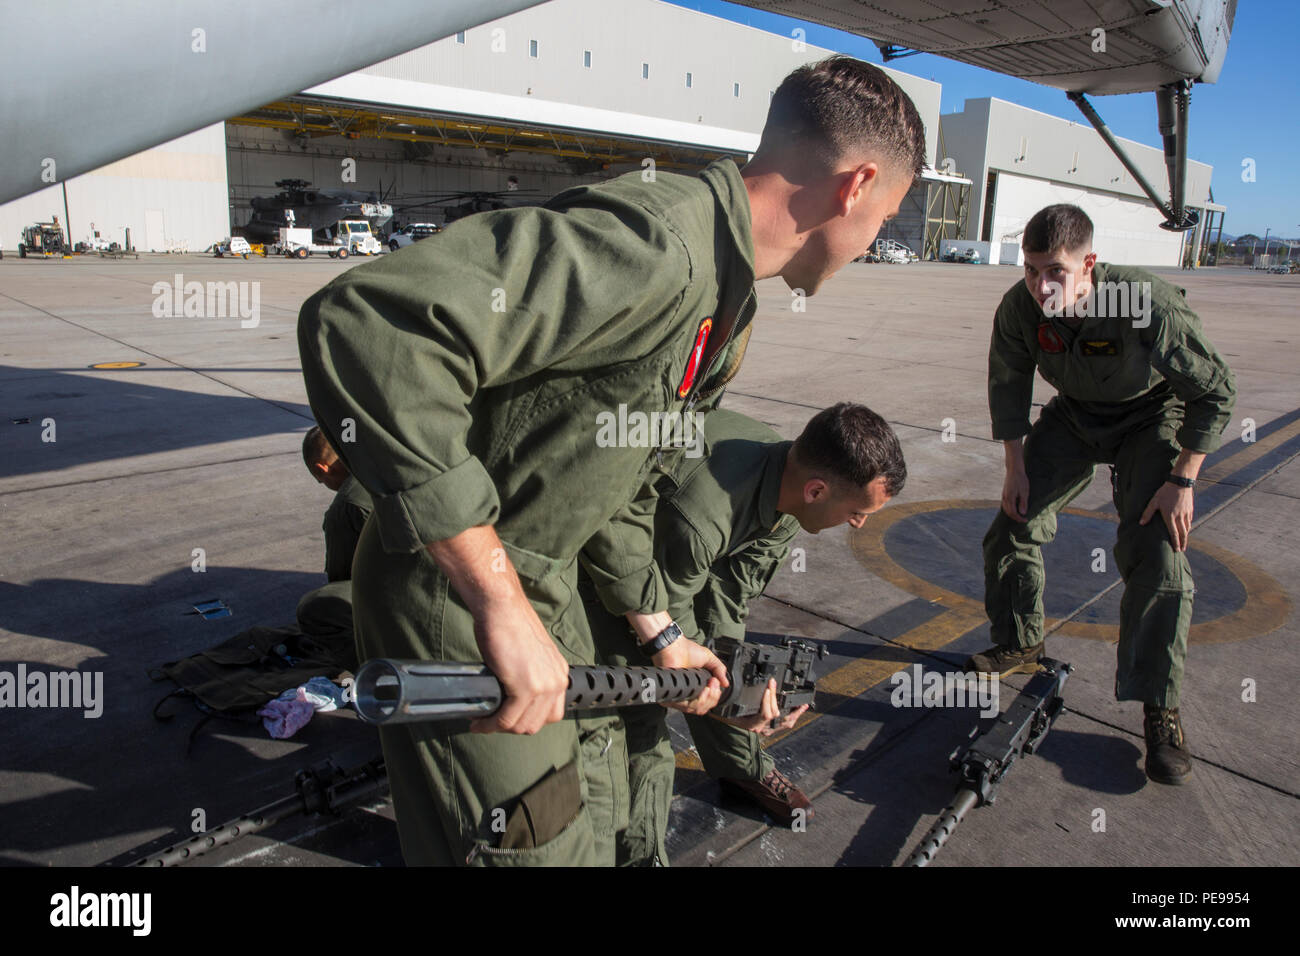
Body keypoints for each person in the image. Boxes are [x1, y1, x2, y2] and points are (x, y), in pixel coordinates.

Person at [296, 54, 926, 866]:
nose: (876, 242)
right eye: (888, 216)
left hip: (546, 589)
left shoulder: (723, 303)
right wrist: (499, 602)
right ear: (857, 185)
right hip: (461, 597)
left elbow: (624, 493)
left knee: (592, 826)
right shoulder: (662, 248)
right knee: (529, 848)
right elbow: (372, 323)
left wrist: (664, 634)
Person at [972, 203, 1235, 785]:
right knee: (1013, 523)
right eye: (1031, 268)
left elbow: (1214, 391)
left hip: (1150, 416)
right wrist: (1015, 469)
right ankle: (1019, 641)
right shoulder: (1020, 308)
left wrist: (1182, 479)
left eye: (1056, 272)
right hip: (1075, 416)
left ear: (1088, 264)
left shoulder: (1145, 301)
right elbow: (1007, 386)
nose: (1042, 285)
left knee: (1159, 550)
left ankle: (1159, 707)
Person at [583, 403, 905, 865]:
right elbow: (665, 626)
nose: (859, 522)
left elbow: (728, 599)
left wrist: (742, 691)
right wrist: (715, 690)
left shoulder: (789, 487)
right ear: (818, 490)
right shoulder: (701, 516)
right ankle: (641, 855)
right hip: (610, 572)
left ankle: (740, 765)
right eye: (858, 511)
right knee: (642, 721)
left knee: (735, 678)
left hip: (667, 571)